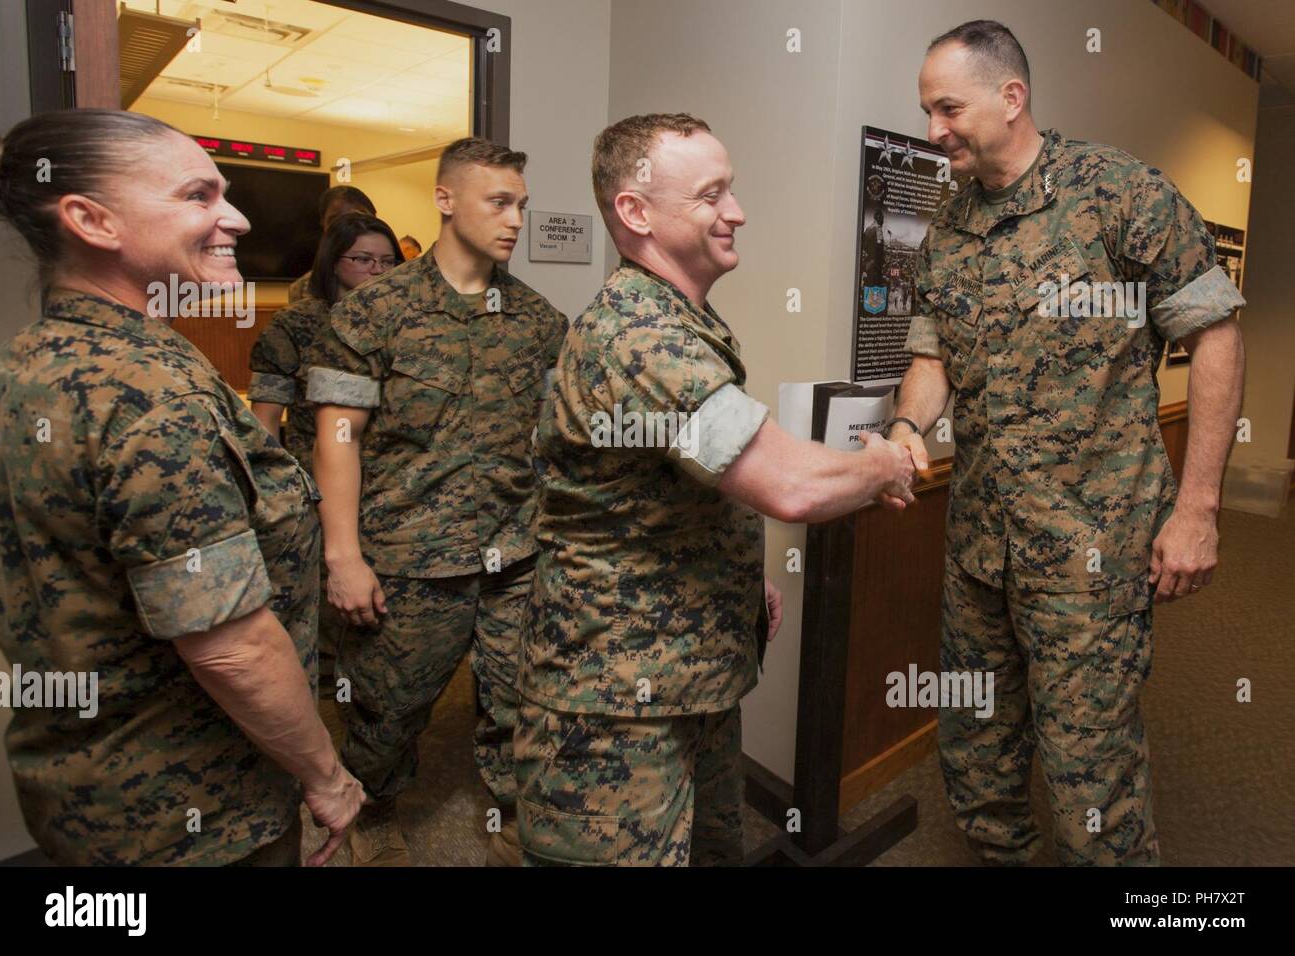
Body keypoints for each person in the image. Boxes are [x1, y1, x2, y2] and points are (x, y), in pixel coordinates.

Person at [888, 20, 1245, 865]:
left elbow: (1217, 336)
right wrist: (907, 426)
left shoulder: (1120, 193)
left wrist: (1197, 508)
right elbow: (932, 350)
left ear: (1012, 98)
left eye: (947, 108)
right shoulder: (950, 224)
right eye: (927, 110)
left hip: (1093, 548)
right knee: (975, 746)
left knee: (1091, 771)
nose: (934, 130)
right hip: (981, 544)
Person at [515, 113, 915, 867]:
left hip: (688, 670)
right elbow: (789, 485)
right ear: (635, 213)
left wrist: (737, 574)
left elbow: (684, 474)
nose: (735, 211)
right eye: (711, 195)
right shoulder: (637, 335)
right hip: (614, 705)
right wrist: (887, 463)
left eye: (730, 190)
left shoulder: (681, 316)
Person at [0, 109, 364, 866]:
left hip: (82, 792)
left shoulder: (26, 364)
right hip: (198, 813)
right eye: (199, 196)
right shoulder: (149, 396)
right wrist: (326, 776)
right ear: (92, 220)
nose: (234, 216)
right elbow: (229, 646)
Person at [306, 137, 568, 866]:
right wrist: (343, 555)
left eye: (521, 203)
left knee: (522, 699)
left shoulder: (540, 322)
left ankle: (515, 821)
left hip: (515, 551)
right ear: (445, 200)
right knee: (388, 709)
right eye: (499, 202)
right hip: (409, 558)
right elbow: (337, 439)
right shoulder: (375, 314)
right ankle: (373, 807)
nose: (515, 219)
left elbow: (554, 439)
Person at [249, 213, 403, 698]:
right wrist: (271, 496)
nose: (376, 271)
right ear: (334, 263)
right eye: (362, 260)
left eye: (387, 261)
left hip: (385, 483)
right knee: (320, 601)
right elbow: (265, 418)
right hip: (314, 482)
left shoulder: (402, 322)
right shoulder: (297, 324)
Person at [288, 185, 377, 302]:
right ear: (323, 225)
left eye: (357, 217)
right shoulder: (301, 288)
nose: (346, 226)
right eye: (335, 220)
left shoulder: (397, 279)